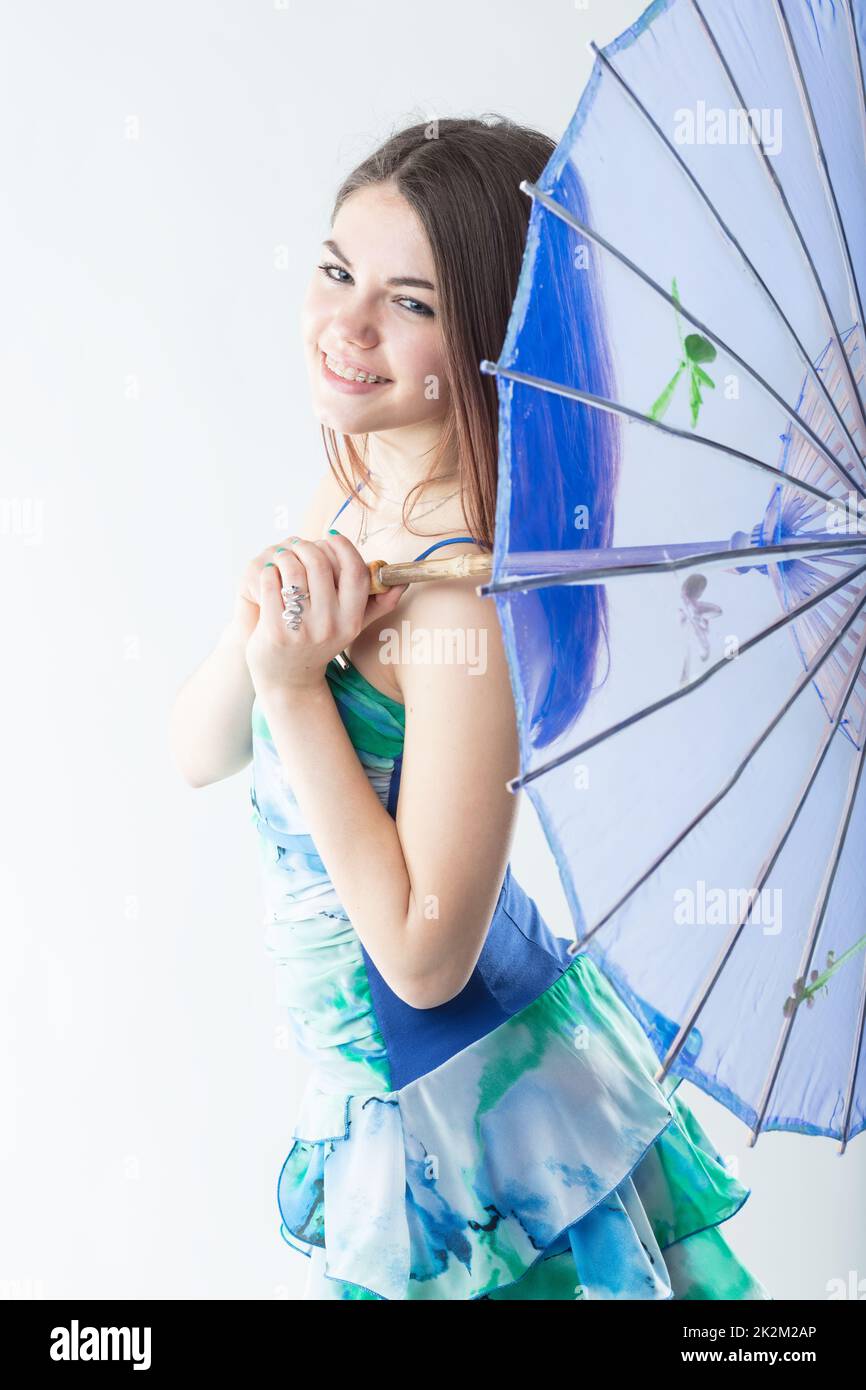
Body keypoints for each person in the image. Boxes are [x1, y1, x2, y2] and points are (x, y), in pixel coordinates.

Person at [171, 115, 771, 1301]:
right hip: (383, 1085)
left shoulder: (463, 609)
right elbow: (195, 750)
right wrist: (264, 621)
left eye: (410, 302)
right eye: (338, 270)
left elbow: (424, 952)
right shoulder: (350, 499)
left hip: (466, 1100)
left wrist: (295, 693)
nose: (346, 324)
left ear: (491, 333)